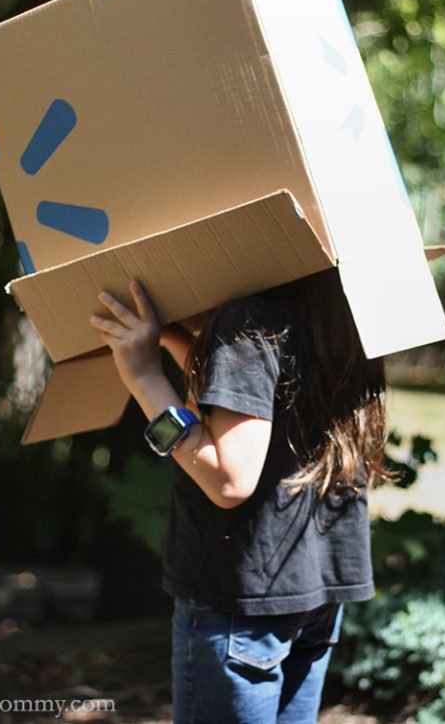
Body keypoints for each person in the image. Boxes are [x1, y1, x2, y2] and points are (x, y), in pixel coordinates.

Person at [89, 268, 388, 724]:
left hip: (241, 603)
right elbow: (267, 398)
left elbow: (230, 479)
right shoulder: (342, 301)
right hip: (313, 589)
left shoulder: (245, 317)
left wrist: (146, 378)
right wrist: (179, 340)